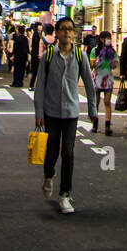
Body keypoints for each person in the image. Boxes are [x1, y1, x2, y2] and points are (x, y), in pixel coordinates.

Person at [34, 16, 97, 214]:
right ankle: (48, 173)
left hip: (71, 112)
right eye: (63, 29)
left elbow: (88, 83)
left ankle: (65, 194)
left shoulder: (80, 55)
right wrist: (38, 112)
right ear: (57, 33)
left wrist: (93, 109)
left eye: (70, 29)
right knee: (52, 150)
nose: (67, 33)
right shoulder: (49, 55)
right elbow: (40, 85)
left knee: (68, 153)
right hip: (51, 111)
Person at [89, 30, 118, 135]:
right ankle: (95, 125)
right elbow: (92, 64)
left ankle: (107, 126)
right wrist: (99, 59)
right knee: (96, 102)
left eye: (109, 38)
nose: (108, 40)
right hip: (97, 78)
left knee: (107, 102)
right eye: (107, 38)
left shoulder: (112, 51)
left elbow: (114, 65)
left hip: (108, 78)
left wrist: (112, 60)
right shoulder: (95, 50)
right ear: (101, 39)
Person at [29, 22, 54, 90]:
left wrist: (40, 58)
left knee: (39, 73)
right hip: (53, 59)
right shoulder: (56, 40)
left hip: (45, 58)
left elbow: (40, 51)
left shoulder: (42, 39)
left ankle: (34, 85)